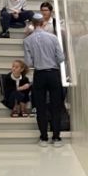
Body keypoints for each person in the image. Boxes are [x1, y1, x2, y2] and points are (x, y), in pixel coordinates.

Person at [23, 16, 67, 147]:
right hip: (53, 73)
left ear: (32, 23)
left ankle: (43, 137)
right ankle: (56, 137)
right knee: (56, 106)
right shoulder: (53, 38)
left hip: (39, 74)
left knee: (40, 107)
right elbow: (61, 57)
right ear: (43, 23)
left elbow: (29, 62)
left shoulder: (27, 40)